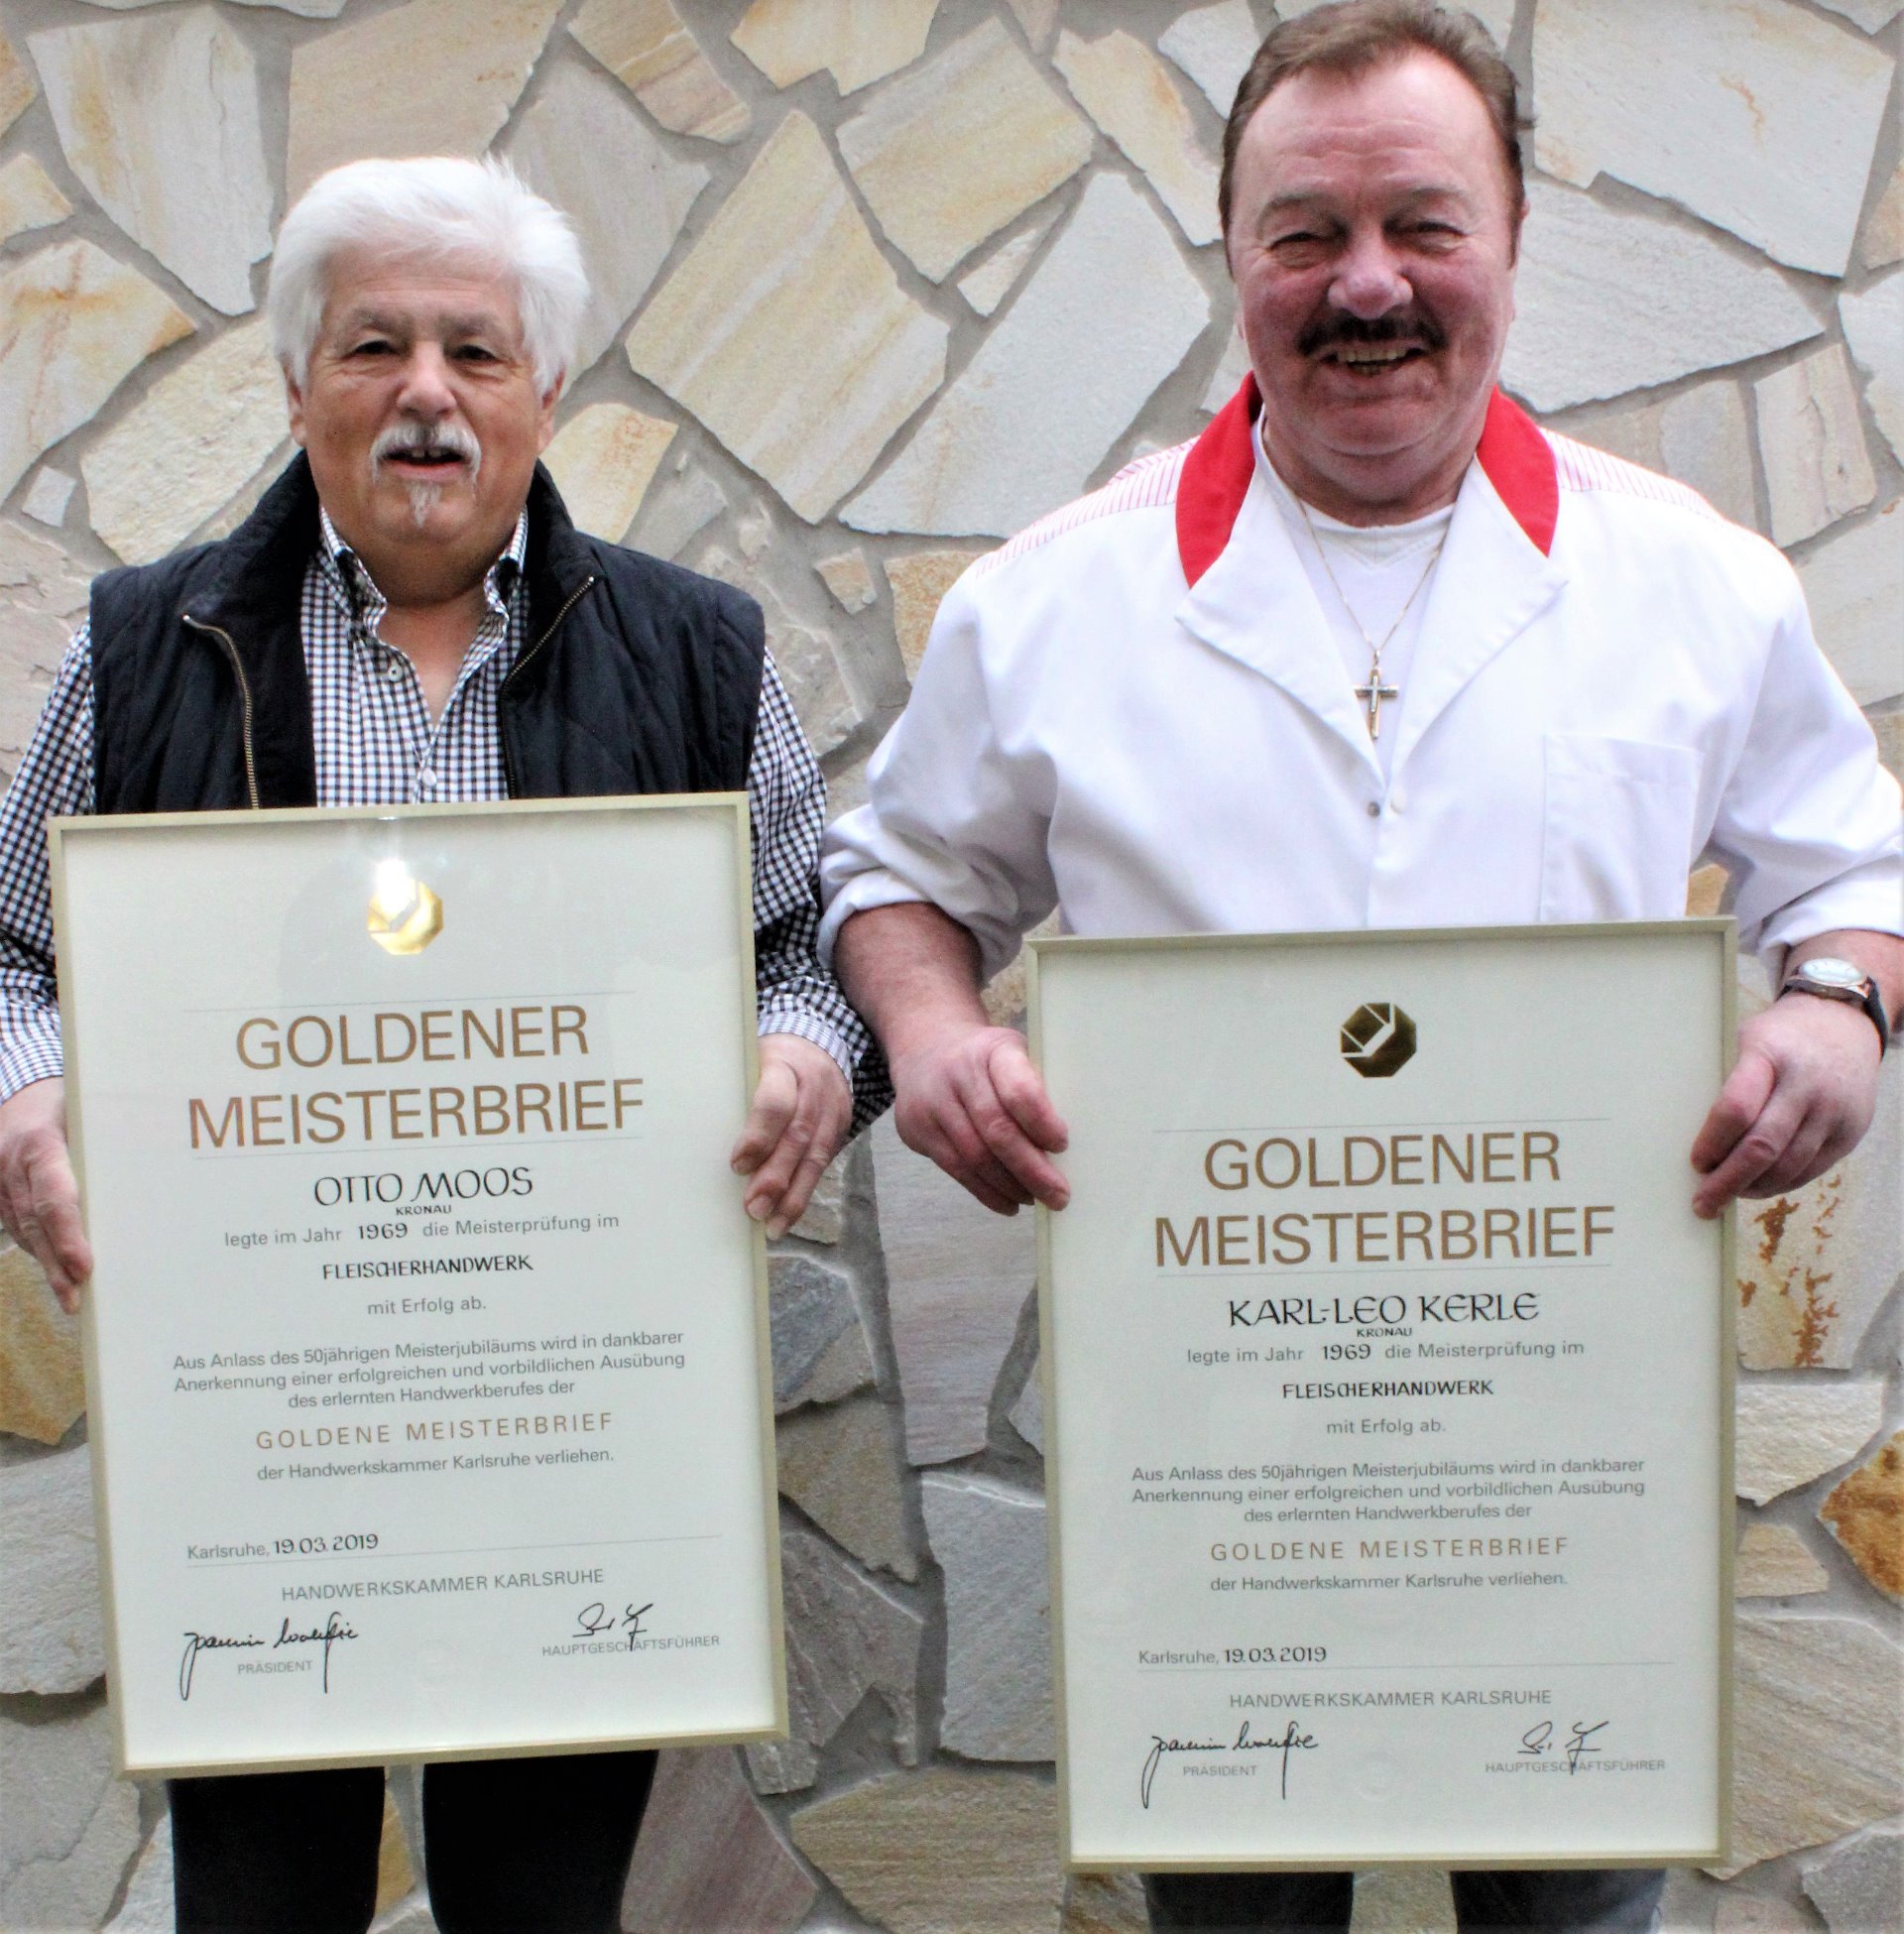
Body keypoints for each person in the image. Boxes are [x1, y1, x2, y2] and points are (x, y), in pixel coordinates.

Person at [820, 3, 1902, 1930]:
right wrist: (927, 1024)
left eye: (1424, 221)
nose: (1369, 282)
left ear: (1508, 242)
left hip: (1563, 1423)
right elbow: (898, 879)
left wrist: (1841, 1007)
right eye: (1306, 232)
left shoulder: (1695, 583)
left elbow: (1854, 864)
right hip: (1221, 1426)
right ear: (1233, 257)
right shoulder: (1055, 600)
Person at [0, 156, 882, 1934]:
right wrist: (25, 1092)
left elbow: (810, 937)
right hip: (270, 1435)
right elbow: (8, 944)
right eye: (373, 345)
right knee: (256, 1910)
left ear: (546, 390)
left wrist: (809, 1058)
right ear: (298, 380)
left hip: (562, 1432)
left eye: (475, 351)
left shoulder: (694, 653)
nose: (424, 392)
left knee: (546, 1912)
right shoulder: (143, 647)